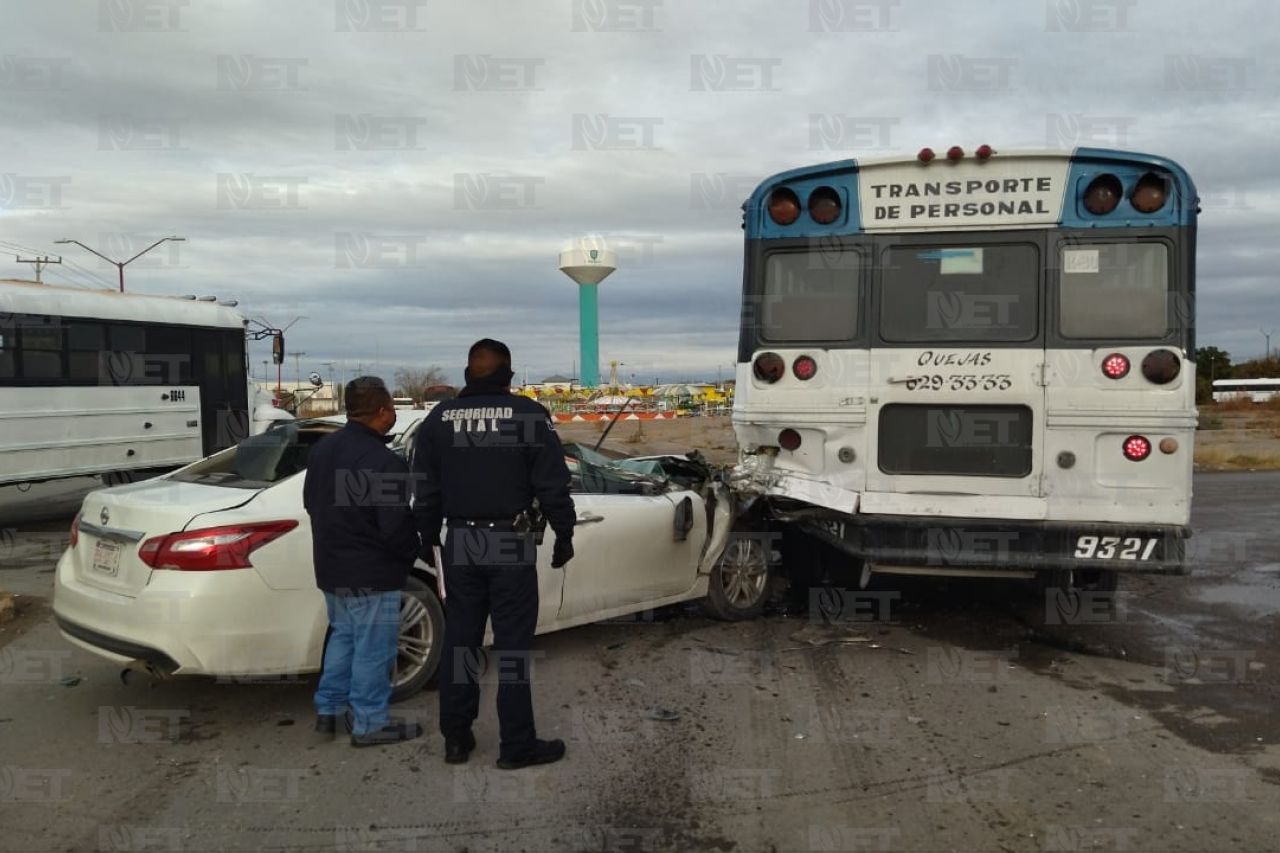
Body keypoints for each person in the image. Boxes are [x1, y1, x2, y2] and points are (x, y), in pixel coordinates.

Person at [413, 339, 576, 769]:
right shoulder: (526, 415)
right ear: (508, 376)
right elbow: (552, 484)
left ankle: (456, 739)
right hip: (509, 541)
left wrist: (429, 538)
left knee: (461, 643)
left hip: (461, 543)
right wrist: (564, 533)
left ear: (468, 376)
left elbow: (424, 488)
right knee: (513, 649)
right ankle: (516, 745)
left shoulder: (440, 419)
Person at [302, 375, 422, 747]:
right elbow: (395, 526)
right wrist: (411, 551)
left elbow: (310, 502)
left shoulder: (323, 450)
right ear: (384, 411)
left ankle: (329, 711)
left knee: (344, 637)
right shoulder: (384, 462)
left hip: (331, 566)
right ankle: (370, 724)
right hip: (372, 573)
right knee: (374, 649)